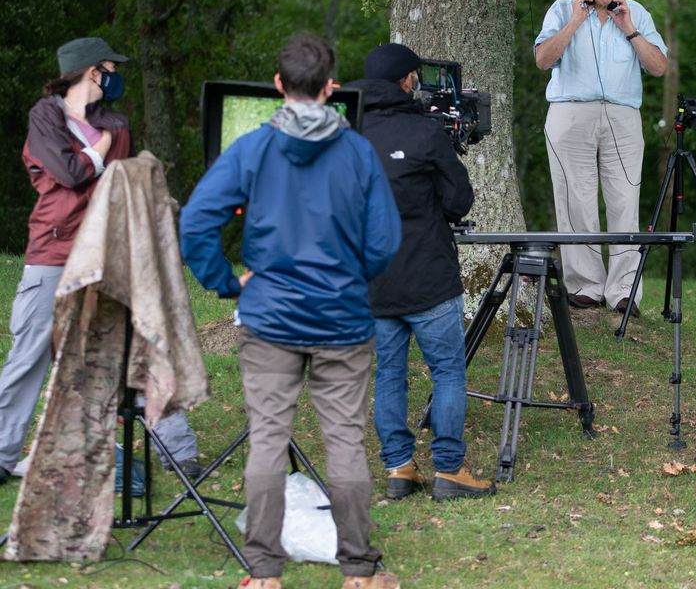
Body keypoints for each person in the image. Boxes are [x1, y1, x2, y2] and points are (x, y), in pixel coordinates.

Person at [180, 32, 402, 589]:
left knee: (268, 440)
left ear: (279, 85)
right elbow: (385, 239)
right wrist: (351, 279)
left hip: (270, 319)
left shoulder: (253, 147)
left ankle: (263, 573)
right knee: (346, 444)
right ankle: (358, 571)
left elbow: (196, 220)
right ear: (331, 88)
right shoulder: (357, 152)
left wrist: (227, 283)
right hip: (342, 321)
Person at [0, 37, 202, 486]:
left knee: (140, 343)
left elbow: (119, 186)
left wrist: (98, 161)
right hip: (52, 251)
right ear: (93, 71)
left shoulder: (116, 122)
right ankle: (1, 453)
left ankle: (180, 451)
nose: (115, 76)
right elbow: (70, 174)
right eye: (111, 67)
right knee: (29, 354)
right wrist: (98, 152)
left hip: (108, 250)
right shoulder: (45, 116)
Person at [344, 44, 496, 502]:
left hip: (372, 279)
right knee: (447, 372)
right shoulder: (425, 132)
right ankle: (450, 470)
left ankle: (399, 469)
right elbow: (459, 202)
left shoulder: (343, 133)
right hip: (428, 274)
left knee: (389, 373)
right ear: (409, 79)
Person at [534, 0, 667, 314]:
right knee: (575, 198)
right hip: (570, 112)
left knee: (625, 198)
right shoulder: (562, 8)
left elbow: (658, 67)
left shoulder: (635, 12)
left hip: (623, 115)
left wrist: (630, 29)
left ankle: (624, 291)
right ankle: (586, 287)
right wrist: (576, 21)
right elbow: (543, 59)